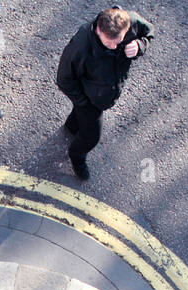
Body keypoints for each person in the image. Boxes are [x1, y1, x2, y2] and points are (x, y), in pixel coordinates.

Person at [55, 7, 153, 181]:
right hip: (89, 99)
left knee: (78, 119)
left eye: (119, 42)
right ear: (99, 30)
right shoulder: (81, 46)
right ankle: (76, 156)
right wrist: (83, 102)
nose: (115, 47)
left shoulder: (131, 22)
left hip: (104, 91)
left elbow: (148, 32)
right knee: (91, 136)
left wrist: (140, 45)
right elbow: (64, 79)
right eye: (109, 43)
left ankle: (71, 126)